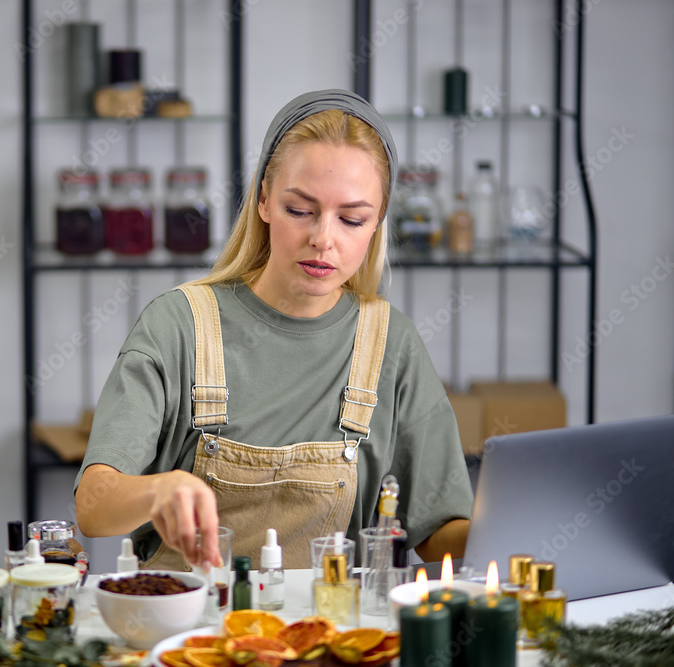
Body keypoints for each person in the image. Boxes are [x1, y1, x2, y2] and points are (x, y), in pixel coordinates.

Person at [74, 89, 472, 571]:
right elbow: (93, 509)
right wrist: (159, 490)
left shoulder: (391, 343)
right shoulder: (179, 326)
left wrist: (519, 529)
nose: (323, 238)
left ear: (376, 225)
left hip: (331, 636)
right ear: (263, 200)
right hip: (190, 636)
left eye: (352, 219)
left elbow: (435, 532)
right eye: (300, 210)